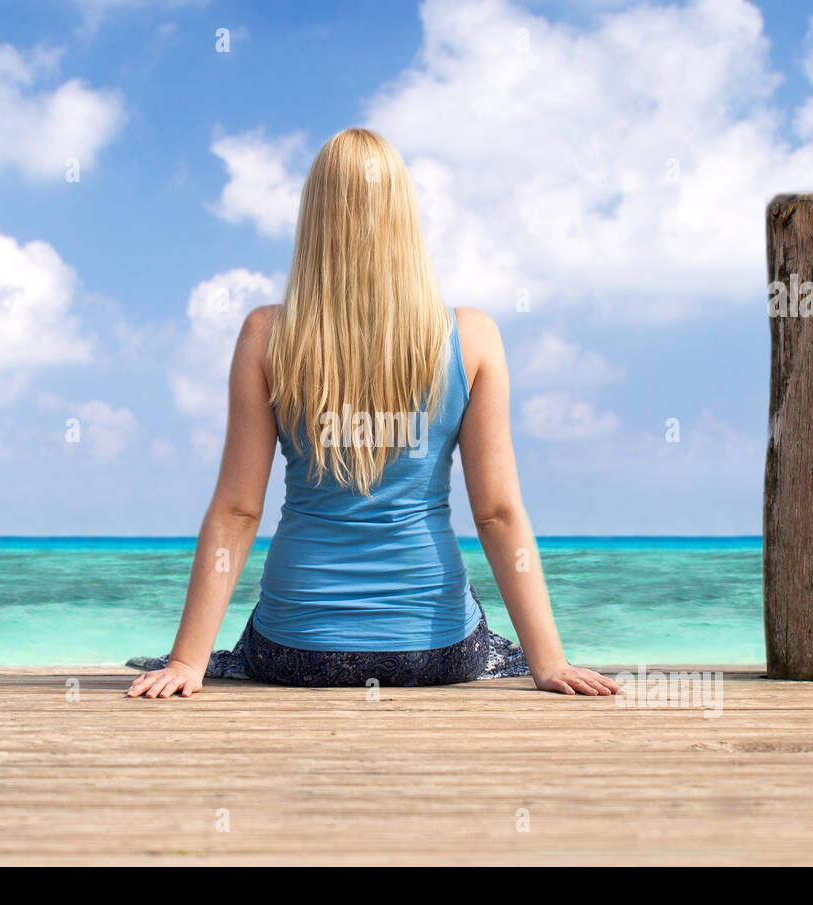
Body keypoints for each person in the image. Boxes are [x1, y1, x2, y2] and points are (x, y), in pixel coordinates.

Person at [128, 128, 620, 699]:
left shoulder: (266, 336)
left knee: (224, 650)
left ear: (314, 218)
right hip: (434, 652)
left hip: (296, 651)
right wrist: (550, 663)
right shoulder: (473, 338)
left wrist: (187, 662)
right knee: (486, 636)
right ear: (405, 216)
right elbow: (497, 515)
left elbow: (238, 512)